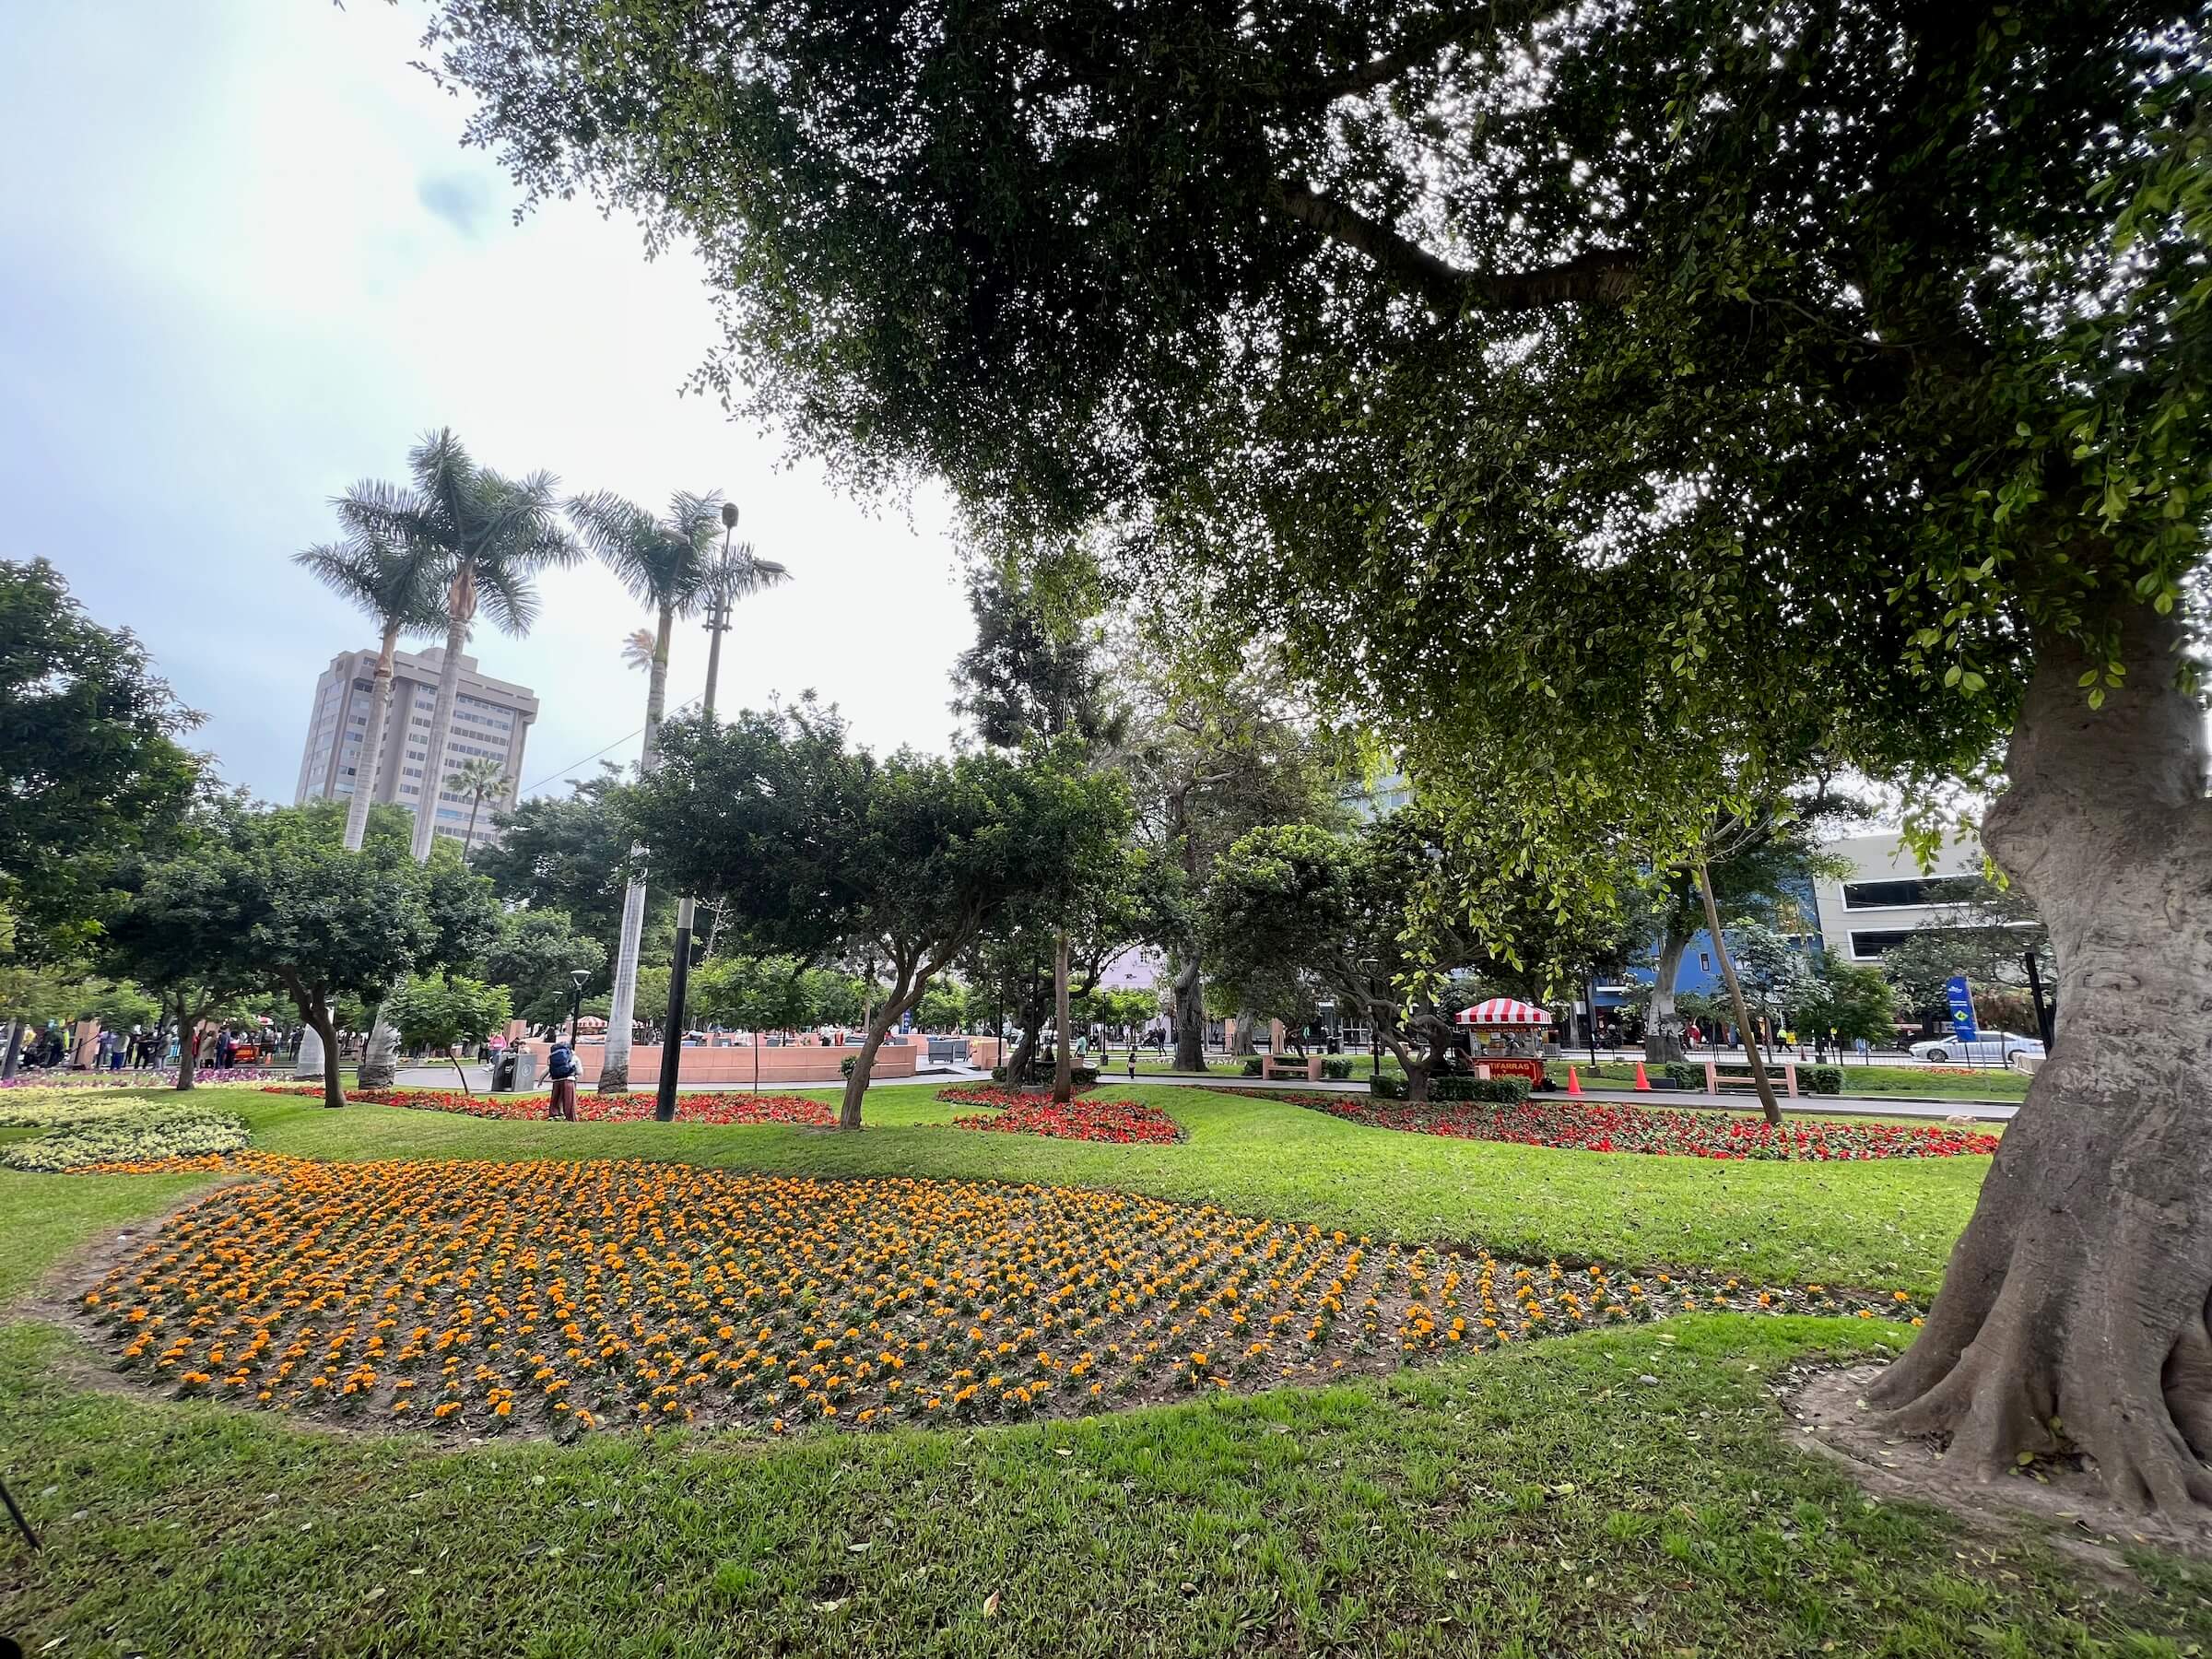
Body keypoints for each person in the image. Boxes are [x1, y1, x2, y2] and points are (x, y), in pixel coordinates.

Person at [546, 1040, 580, 1121]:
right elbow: (580, 1071)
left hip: (556, 1081)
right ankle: (570, 1118)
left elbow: (547, 1069)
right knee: (569, 1101)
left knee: (555, 1099)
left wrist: (540, 1081)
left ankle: (554, 1115)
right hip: (568, 1080)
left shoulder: (554, 1056)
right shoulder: (573, 1057)